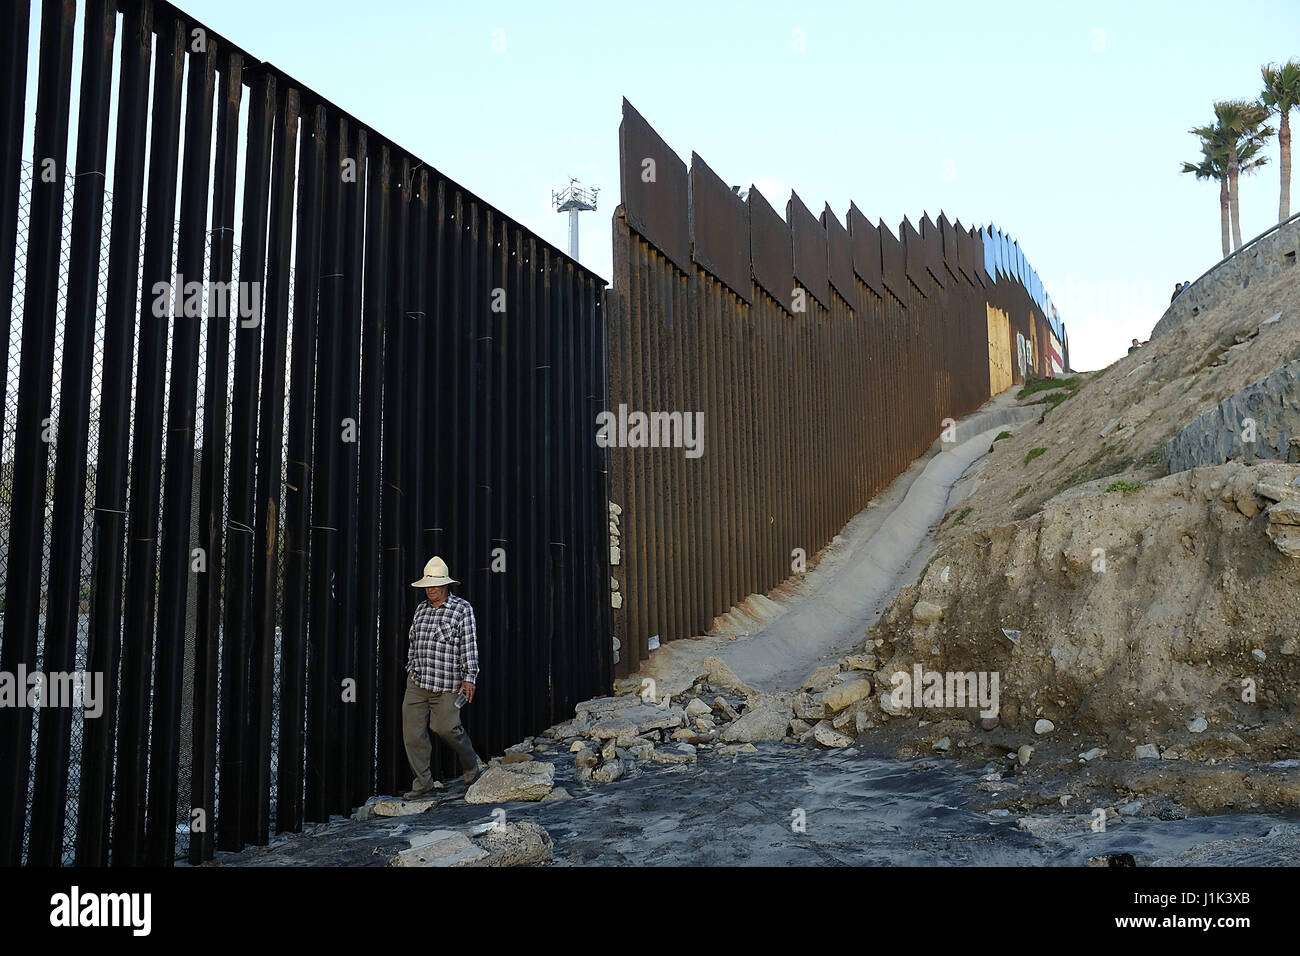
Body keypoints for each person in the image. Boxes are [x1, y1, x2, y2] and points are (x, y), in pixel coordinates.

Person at [401, 556, 486, 798]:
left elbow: (469, 646)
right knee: (413, 734)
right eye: (428, 585)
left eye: (436, 584)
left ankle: (470, 763)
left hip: (447, 685)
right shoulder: (421, 610)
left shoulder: (462, 609)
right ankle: (423, 783)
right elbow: (413, 641)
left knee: (447, 728)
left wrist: (469, 677)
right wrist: (411, 666)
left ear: (446, 585)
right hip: (417, 682)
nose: (431, 589)